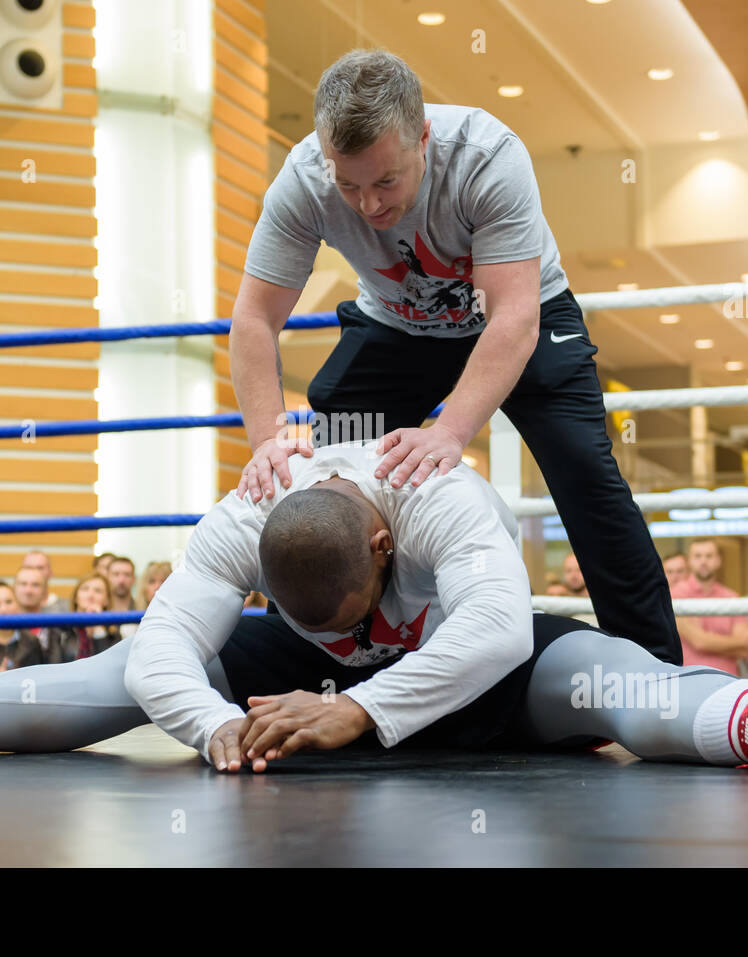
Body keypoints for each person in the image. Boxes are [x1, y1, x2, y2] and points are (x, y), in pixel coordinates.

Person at [0, 441, 748, 780]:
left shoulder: (442, 501)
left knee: (600, 674)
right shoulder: (237, 521)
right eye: (329, 620)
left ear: (379, 541)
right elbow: (163, 645)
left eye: (360, 603)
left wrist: (354, 707)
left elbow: (493, 633)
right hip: (308, 692)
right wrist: (209, 727)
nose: (353, 629)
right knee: (120, 676)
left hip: (471, 673)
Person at [227, 49, 679, 666]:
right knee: (319, 490)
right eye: (349, 184)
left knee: (583, 472)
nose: (368, 205)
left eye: (385, 181)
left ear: (424, 137)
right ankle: (306, 662)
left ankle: (656, 671)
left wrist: (451, 430)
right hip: (396, 325)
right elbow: (254, 319)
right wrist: (266, 443)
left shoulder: (486, 156)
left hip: (523, 318)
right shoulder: (303, 178)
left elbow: (512, 318)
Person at [670, 538, 748, 676]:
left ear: (718, 560)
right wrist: (733, 643)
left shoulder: (731, 597)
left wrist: (706, 639)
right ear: (689, 561)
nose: (703, 561)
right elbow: (699, 642)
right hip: (691, 680)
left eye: (709, 556)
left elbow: (746, 647)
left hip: (728, 680)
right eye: (698, 556)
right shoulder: (676, 596)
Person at [54, 573, 124, 662]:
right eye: (85, 589)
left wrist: (98, 627)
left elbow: (107, 666)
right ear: (76, 597)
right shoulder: (61, 630)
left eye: (98, 591)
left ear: (107, 600)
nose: (91, 595)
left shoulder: (114, 635)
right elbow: (54, 666)